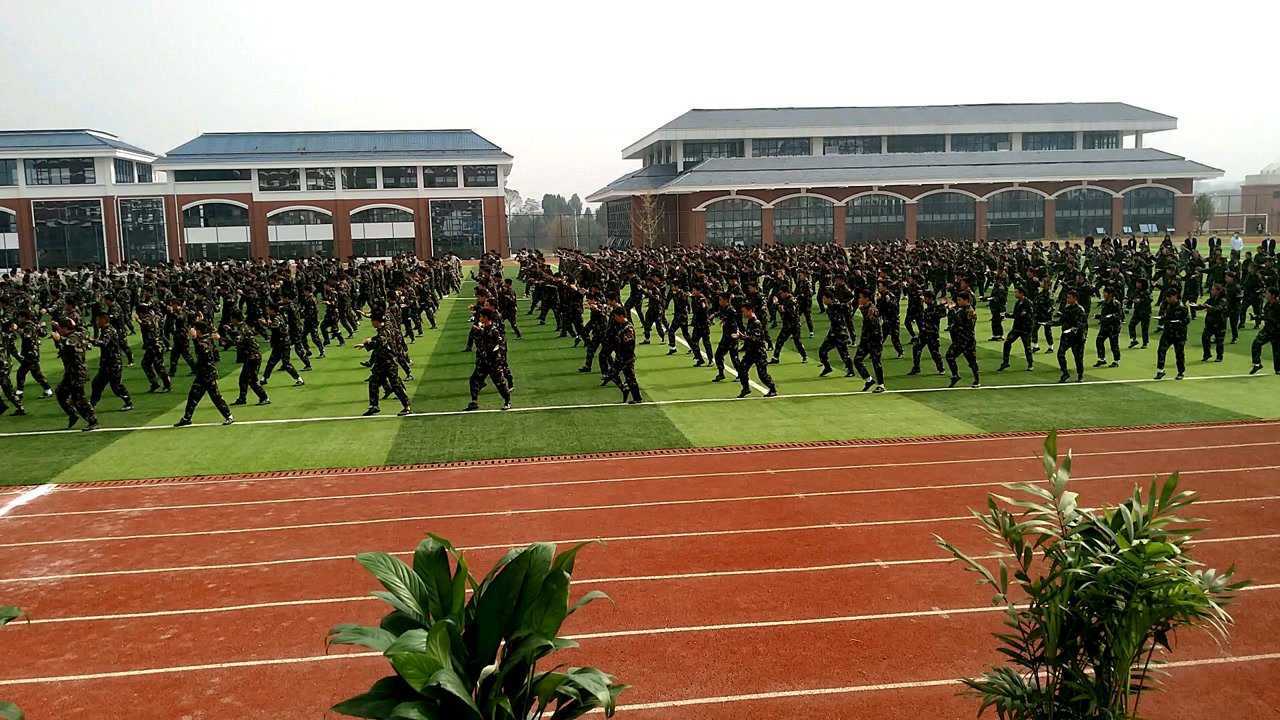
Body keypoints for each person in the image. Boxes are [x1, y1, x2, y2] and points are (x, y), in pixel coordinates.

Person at [174, 321, 235, 427]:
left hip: (207, 374)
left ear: (198, 330)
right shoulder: (206, 338)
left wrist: (194, 339)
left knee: (215, 396)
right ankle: (187, 418)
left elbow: (203, 351)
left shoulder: (204, 341)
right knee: (193, 395)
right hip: (202, 373)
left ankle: (229, 416)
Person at [358, 315, 411, 416]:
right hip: (381, 361)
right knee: (373, 381)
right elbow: (378, 338)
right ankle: (374, 406)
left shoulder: (384, 331)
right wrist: (370, 339)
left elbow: (380, 342)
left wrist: (366, 344)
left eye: (372, 321)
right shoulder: (385, 327)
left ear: (376, 321)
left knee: (395, 384)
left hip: (389, 362)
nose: (371, 323)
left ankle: (407, 406)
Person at [51, 319, 99, 431]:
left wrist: (59, 339)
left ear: (65, 328)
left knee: (79, 398)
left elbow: (70, 347)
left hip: (77, 372)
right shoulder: (78, 334)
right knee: (60, 392)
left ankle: (93, 421)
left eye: (60, 329)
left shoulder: (73, 337)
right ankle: (72, 414)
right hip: (70, 372)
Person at [465, 307, 513, 411]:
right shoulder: (481, 328)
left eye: (481, 316)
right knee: (474, 380)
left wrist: (498, 360)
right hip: (482, 362)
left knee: (500, 383)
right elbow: (478, 343)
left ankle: (507, 401)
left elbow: (500, 346)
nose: (480, 318)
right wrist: (477, 332)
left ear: (486, 318)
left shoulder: (494, 330)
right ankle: (474, 401)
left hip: (493, 362)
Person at [88, 312, 133, 411]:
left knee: (116, 386)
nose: (97, 322)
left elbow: (104, 343)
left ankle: (128, 402)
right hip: (106, 363)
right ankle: (92, 403)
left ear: (103, 319)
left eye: (98, 320)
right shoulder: (105, 330)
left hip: (113, 363)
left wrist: (91, 340)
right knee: (96, 383)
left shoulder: (109, 330)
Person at [223, 314, 270, 407]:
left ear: (235, 319)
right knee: (243, 379)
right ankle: (242, 398)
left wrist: (224, 338)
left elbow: (238, 340)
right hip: (251, 356)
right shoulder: (243, 327)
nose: (231, 321)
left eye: (232, 319)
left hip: (253, 357)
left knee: (251, 379)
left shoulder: (243, 329)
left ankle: (264, 397)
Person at [734, 303, 778, 398]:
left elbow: (755, 338)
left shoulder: (756, 323)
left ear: (750, 310)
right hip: (750, 351)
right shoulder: (750, 321)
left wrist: (743, 337)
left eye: (744, 311)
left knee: (762, 374)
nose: (743, 313)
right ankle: (746, 388)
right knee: (742, 369)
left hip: (759, 352)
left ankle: (772, 389)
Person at [944, 291, 980, 388]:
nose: (958, 302)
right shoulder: (961, 309)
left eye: (960, 300)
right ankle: (955, 375)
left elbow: (968, 326)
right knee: (949, 356)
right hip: (959, 339)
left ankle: (977, 380)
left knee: (971, 361)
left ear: (966, 300)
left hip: (966, 340)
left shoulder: (970, 311)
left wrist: (953, 314)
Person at [854, 287, 886, 393]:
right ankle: (869, 380)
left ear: (866, 298)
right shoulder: (865, 307)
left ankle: (881, 384)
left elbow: (875, 326)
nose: (859, 299)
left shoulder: (872, 310)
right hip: (866, 339)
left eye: (860, 297)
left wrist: (876, 342)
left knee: (876, 361)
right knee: (857, 360)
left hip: (874, 340)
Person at [1154, 288, 1190, 380]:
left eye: (1169, 297)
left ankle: (1180, 372)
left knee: (1179, 353)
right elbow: (1166, 316)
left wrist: (1178, 322)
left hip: (1179, 334)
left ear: (1175, 296)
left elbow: (1186, 320)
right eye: (1167, 297)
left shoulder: (1182, 307)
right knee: (1161, 350)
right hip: (1168, 332)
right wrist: (1162, 318)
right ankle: (1160, 370)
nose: (1168, 299)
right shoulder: (1166, 304)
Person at [998, 285, 1035, 372]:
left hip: (1025, 329)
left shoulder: (1028, 303)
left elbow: (1025, 316)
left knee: (1027, 347)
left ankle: (1030, 364)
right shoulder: (1018, 302)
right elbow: (1016, 315)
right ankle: (1005, 362)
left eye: (1016, 292)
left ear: (1021, 293)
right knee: (1007, 343)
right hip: (1017, 328)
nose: (1015, 294)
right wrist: (1007, 315)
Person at [908, 292, 945, 376]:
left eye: (926, 298)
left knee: (934, 352)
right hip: (924, 332)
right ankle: (916, 367)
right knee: (916, 348)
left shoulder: (936, 307)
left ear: (930, 298)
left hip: (932, 333)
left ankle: (941, 368)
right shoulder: (926, 307)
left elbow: (942, 314)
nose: (924, 300)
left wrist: (941, 307)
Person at [769, 286, 807, 364]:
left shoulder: (791, 300)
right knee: (779, 341)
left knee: (797, 342)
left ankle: (804, 356)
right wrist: (777, 305)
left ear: (786, 292)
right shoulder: (786, 300)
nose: (781, 295)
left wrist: (780, 307)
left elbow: (791, 313)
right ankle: (775, 358)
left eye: (782, 293)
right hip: (787, 325)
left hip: (793, 325)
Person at [1057, 288, 1088, 383]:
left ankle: (1080, 375)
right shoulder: (1067, 308)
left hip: (1077, 337)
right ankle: (1065, 373)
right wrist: (1050, 323)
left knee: (1078, 358)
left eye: (1069, 298)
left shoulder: (1080, 310)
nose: (1067, 299)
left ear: (1075, 298)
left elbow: (1080, 325)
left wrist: (1070, 331)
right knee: (1060, 354)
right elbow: (1062, 321)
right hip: (1066, 337)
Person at [1194, 283, 1228, 363]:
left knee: (1219, 341)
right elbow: (1204, 305)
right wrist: (1196, 307)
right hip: (1210, 322)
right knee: (1205, 338)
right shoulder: (1211, 299)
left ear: (1218, 291)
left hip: (1220, 323)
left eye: (1213, 289)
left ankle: (1219, 356)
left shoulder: (1223, 300)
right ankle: (1207, 354)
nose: (1211, 291)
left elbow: (1218, 309)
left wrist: (1210, 307)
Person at [1250, 287, 1280, 375]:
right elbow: (1265, 315)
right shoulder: (1267, 304)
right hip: (1267, 329)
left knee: (1277, 350)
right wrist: (1257, 317)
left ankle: (1278, 369)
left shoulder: (1278, 306)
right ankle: (1257, 364)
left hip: (1277, 331)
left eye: (1267, 293)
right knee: (1256, 343)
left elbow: (1275, 319)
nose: (1265, 295)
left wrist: (1268, 318)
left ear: (1273, 295)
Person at [1092, 287, 1123, 368]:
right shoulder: (1104, 302)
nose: (1103, 294)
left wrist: (1110, 316)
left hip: (1114, 327)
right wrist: (1098, 316)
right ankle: (1102, 359)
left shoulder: (1116, 303)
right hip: (1105, 326)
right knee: (1099, 341)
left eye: (1105, 293)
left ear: (1110, 294)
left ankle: (1116, 361)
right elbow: (1104, 315)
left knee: (1114, 344)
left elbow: (1119, 315)